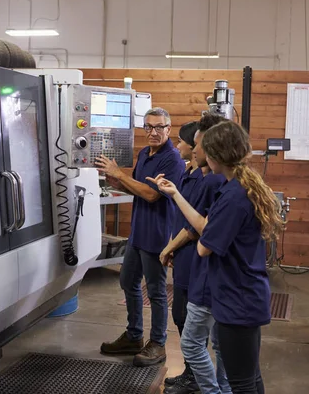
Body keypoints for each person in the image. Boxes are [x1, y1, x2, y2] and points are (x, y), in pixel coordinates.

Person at [151, 121, 283, 394]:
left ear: (215, 156)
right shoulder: (235, 188)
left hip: (238, 299)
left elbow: (204, 245)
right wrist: (176, 195)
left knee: (242, 382)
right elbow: (206, 227)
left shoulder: (233, 197)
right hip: (239, 295)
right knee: (249, 377)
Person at [95, 107, 184, 367]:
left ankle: (158, 343)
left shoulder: (173, 160)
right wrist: (114, 179)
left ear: (169, 129)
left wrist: (121, 175)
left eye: (159, 127)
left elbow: (152, 194)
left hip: (157, 234)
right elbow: (136, 186)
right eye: (148, 127)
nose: (153, 132)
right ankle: (134, 336)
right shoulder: (145, 153)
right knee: (128, 281)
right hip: (137, 232)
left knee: (156, 291)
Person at [155, 114, 231, 394]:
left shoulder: (218, 186)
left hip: (203, 268)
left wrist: (170, 246)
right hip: (193, 262)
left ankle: (202, 382)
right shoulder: (200, 177)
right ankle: (206, 382)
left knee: (196, 337)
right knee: (216, 342)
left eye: (195, 144)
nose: (191, 149)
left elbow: (200, 230)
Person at [158, 121, 201, 388]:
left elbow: (195, 227)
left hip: (193, 259)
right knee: (180, 316)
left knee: (189, 320)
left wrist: (168, 247)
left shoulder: (204, 181)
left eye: (181, 141)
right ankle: (190, 371)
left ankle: (195, 376)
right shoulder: (187, 174)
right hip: (183, 258)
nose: (177, 146)